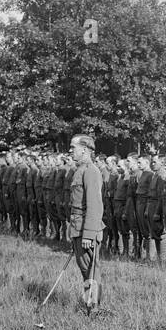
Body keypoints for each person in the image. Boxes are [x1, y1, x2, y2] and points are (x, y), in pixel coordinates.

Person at [70, 133, 105, 313]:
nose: (70, 151)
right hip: (78, 227)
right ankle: (89, 304)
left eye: (73, 147)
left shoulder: (91, 171)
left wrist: (89, 234)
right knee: (85, 269)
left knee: (91, 270)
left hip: (86, 228)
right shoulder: (81, 170)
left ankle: (93, 308)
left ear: (84, 150)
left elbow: (94, 206)